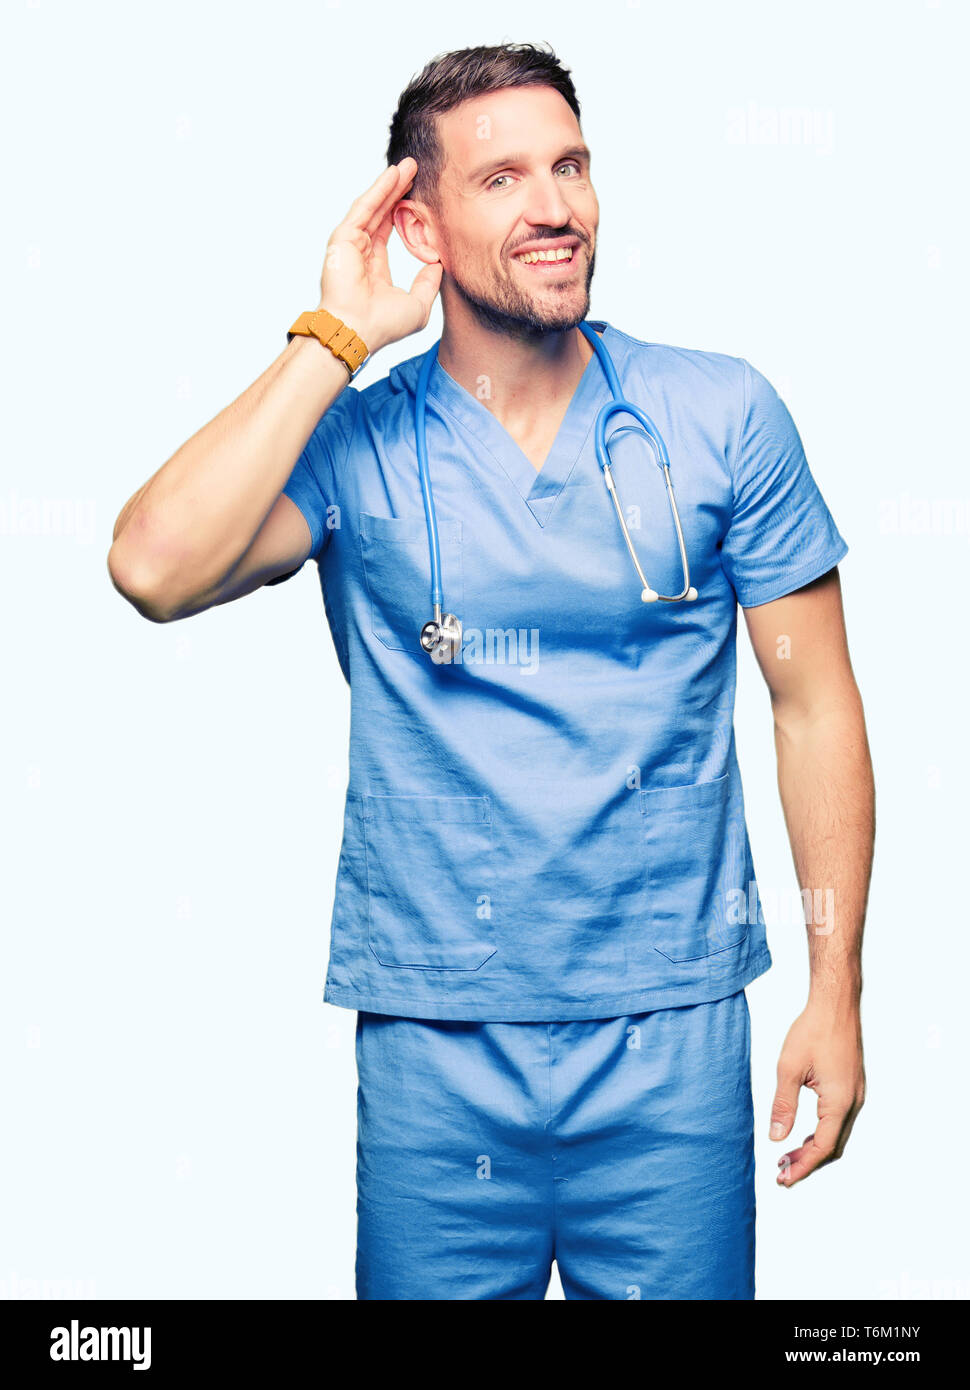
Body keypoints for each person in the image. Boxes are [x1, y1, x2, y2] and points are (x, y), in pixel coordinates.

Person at [107, 42, 873, 1301]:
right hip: (434, 1045)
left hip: (670, 1035)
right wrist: (337, 333)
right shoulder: (351, 441)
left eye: (569, 165)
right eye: (504, 177)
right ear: (419, 218)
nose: (555, 206)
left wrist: (832, 989)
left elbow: (814, 705)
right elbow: (152, 567)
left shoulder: (718, 414)